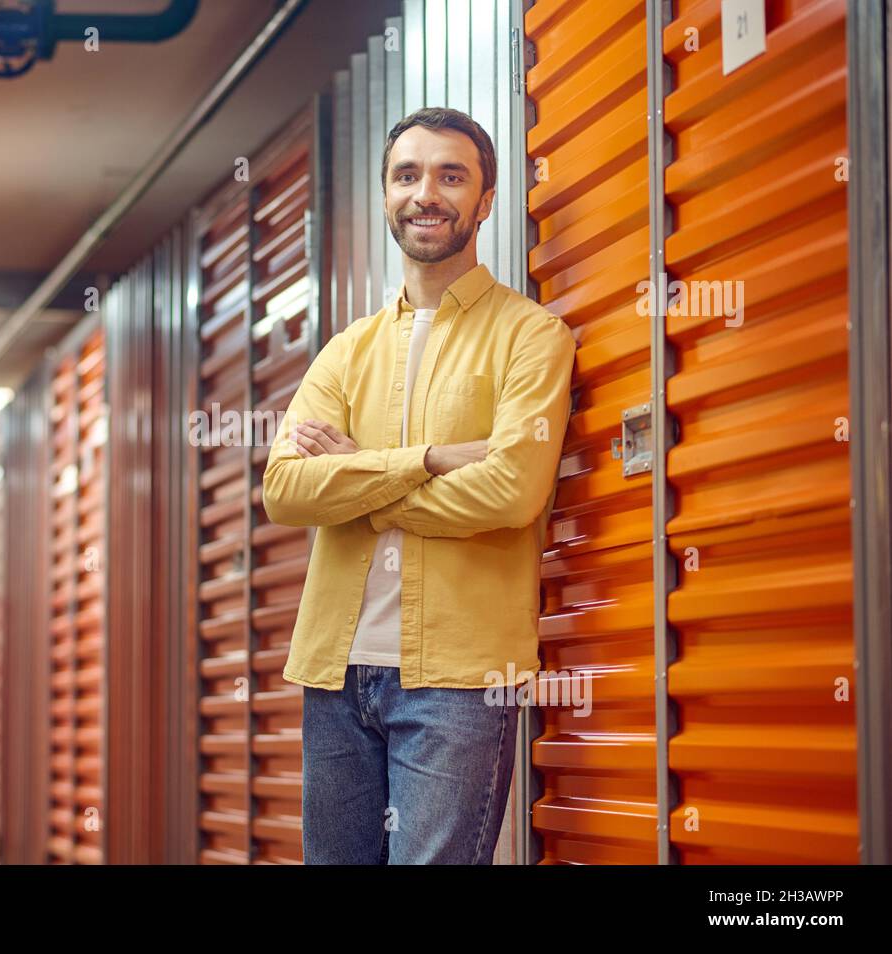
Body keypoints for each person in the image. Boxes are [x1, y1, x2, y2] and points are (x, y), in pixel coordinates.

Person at [261, 106, 576, 864]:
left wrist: (359, 477)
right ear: (385, 195)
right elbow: (286, 490)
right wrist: (429, 459)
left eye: (450, 175)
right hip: (335, 673)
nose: (425, 193)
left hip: (461, 680)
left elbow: (510, 491)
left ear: (486, 199)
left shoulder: (531, 336)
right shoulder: (346, 351)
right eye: (407, 175)